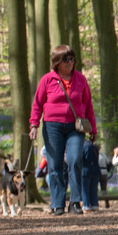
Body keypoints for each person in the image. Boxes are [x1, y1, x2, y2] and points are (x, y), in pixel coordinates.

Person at [29, 45, 97, 215]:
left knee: (75, 160)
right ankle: (57, 203)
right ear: (57, 62)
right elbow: (37, 104)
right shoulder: (47, 79)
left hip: (75, 126)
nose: (70, 63)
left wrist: (93, 128)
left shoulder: (80, 79)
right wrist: (34, 124)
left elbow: (88, 104)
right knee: (55, 164)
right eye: (66, 60)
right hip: (53, 126)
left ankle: (75, 202)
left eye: (72, 59)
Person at [81, 140, 103, 211]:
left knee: (85, 189)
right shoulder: (94, 147)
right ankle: (95, 205)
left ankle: (86, 205)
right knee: (94, 189)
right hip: (96, 169)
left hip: (86, 170)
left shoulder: (83, 147)